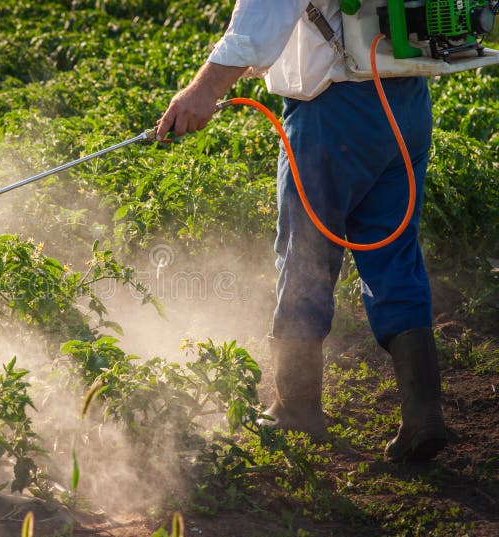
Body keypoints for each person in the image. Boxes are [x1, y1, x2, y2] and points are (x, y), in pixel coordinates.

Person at [156, 1, 447, 462]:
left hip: (335, 112)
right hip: (407, 103)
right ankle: (423, 414)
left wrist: (201, 91)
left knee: (305, 254)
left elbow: (260, 21)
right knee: (395, 254)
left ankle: (296, 407)